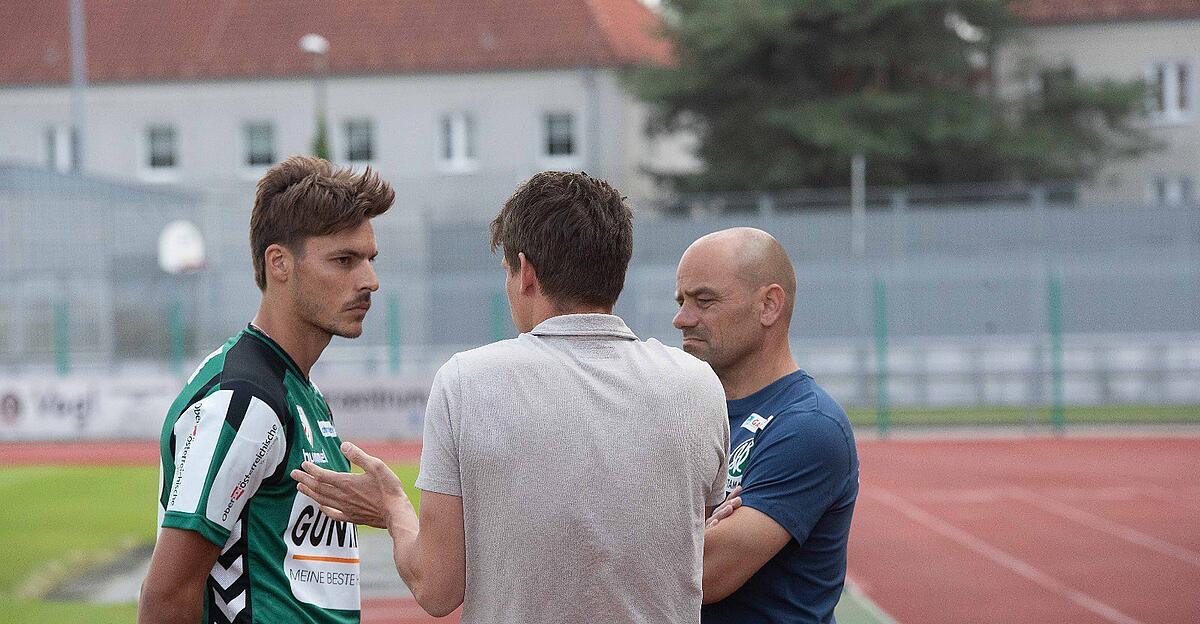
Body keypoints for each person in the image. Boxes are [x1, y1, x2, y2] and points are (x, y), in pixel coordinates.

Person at [292, 171, 730, 623]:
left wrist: (393, 507)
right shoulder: (699, 386)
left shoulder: (467, 382)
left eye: (507, 271)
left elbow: (438, 589)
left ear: (526, 273)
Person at [138, 155, 395, 624]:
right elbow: (166, 597)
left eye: (370, 260)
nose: (370, 281)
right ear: (279, 263)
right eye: (344, 260)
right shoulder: (244, 399)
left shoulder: (298, 388)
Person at [673, 227, 859, 624]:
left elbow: (704, 573)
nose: (681, 319)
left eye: (704, 301)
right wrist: (696, 528)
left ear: (769, 306)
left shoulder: (809, 426)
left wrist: (672, 525)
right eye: (681, 301)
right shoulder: (686, 412)